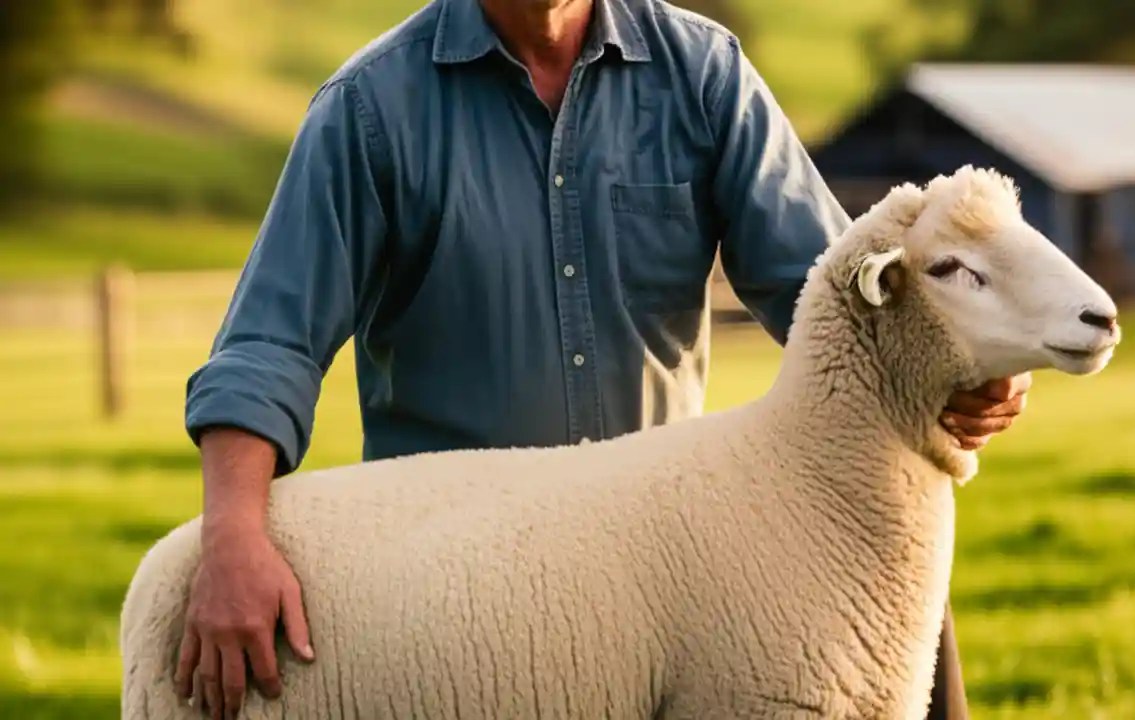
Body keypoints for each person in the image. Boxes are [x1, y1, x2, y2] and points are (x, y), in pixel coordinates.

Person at [174, 0, 1033, 717]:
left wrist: (964, 365)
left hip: (658, 558)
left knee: (886, 563)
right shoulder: (370, 107)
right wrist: (233, 538)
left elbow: (840, 296)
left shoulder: (702, 74)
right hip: (461, 577)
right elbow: (267, 345)